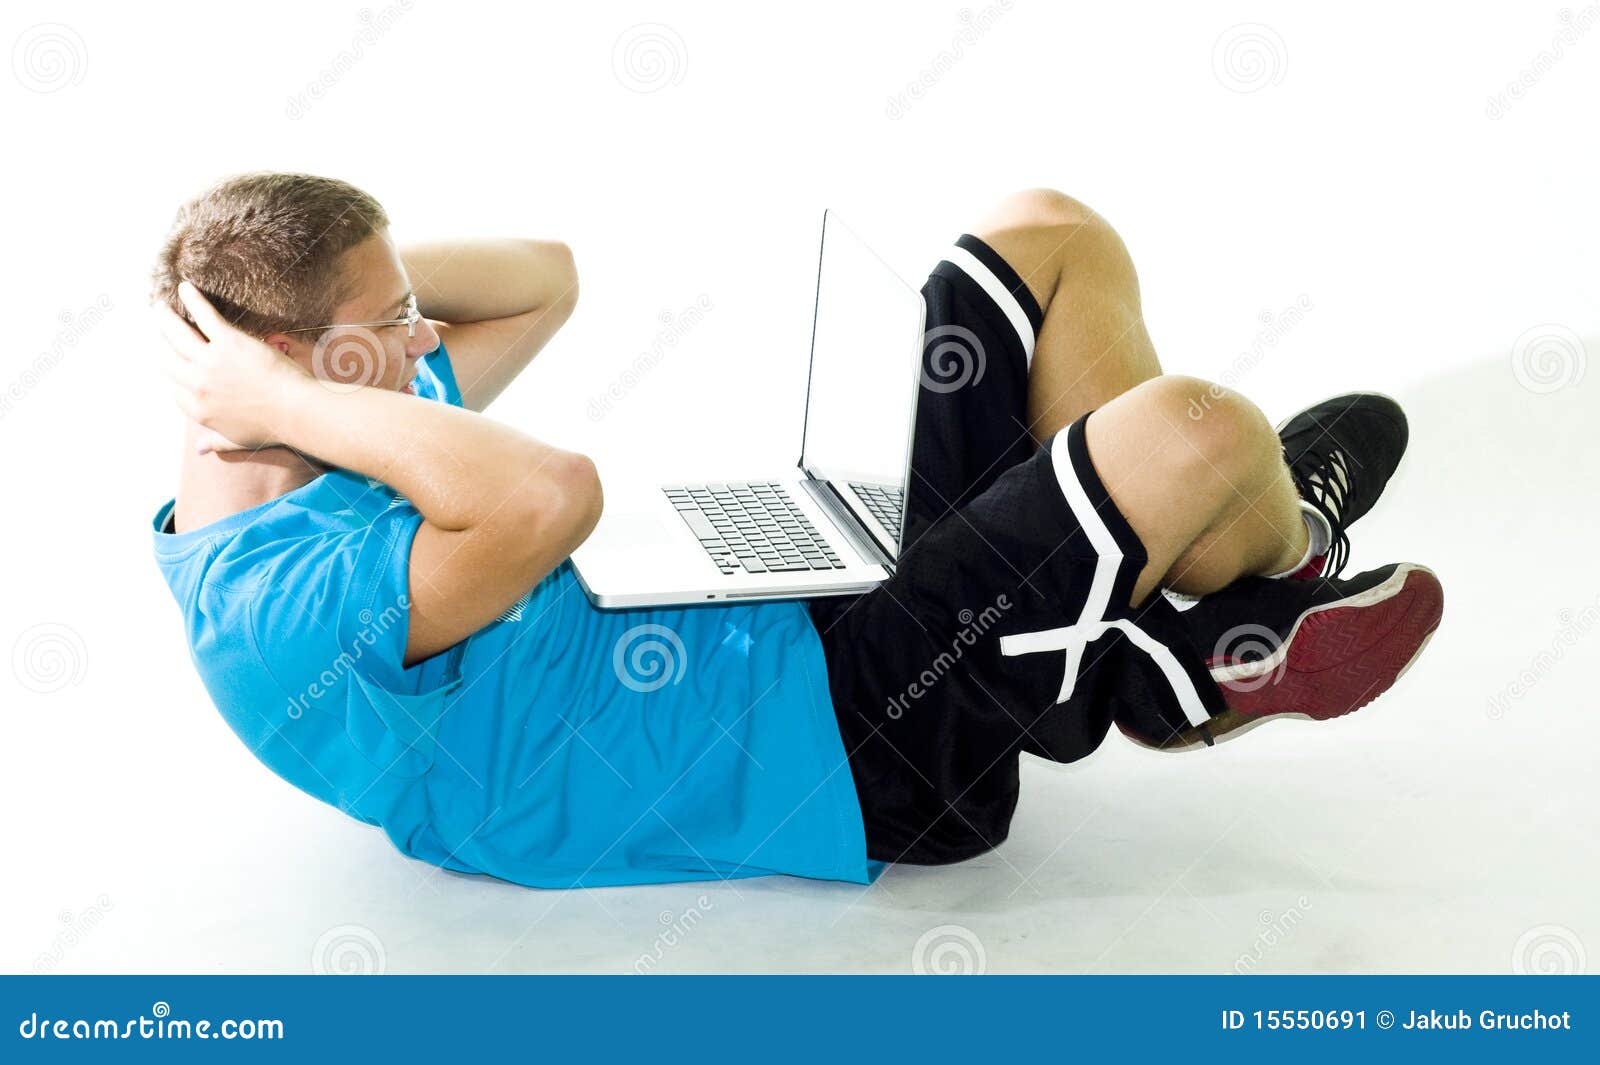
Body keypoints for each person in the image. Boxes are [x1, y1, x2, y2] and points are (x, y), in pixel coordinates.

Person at [151, 174, 1442, 887]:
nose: (428, 334)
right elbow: (555, 497)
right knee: (1204, 430)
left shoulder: (350, 409)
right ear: (292, 367)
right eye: (394, 321)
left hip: (792, 601)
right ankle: (1264, 570)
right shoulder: (284, 609)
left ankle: (1168, 638)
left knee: (1051, 236)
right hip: (835, 741)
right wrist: (292, 382)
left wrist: (321, 348)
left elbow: (548, 272)